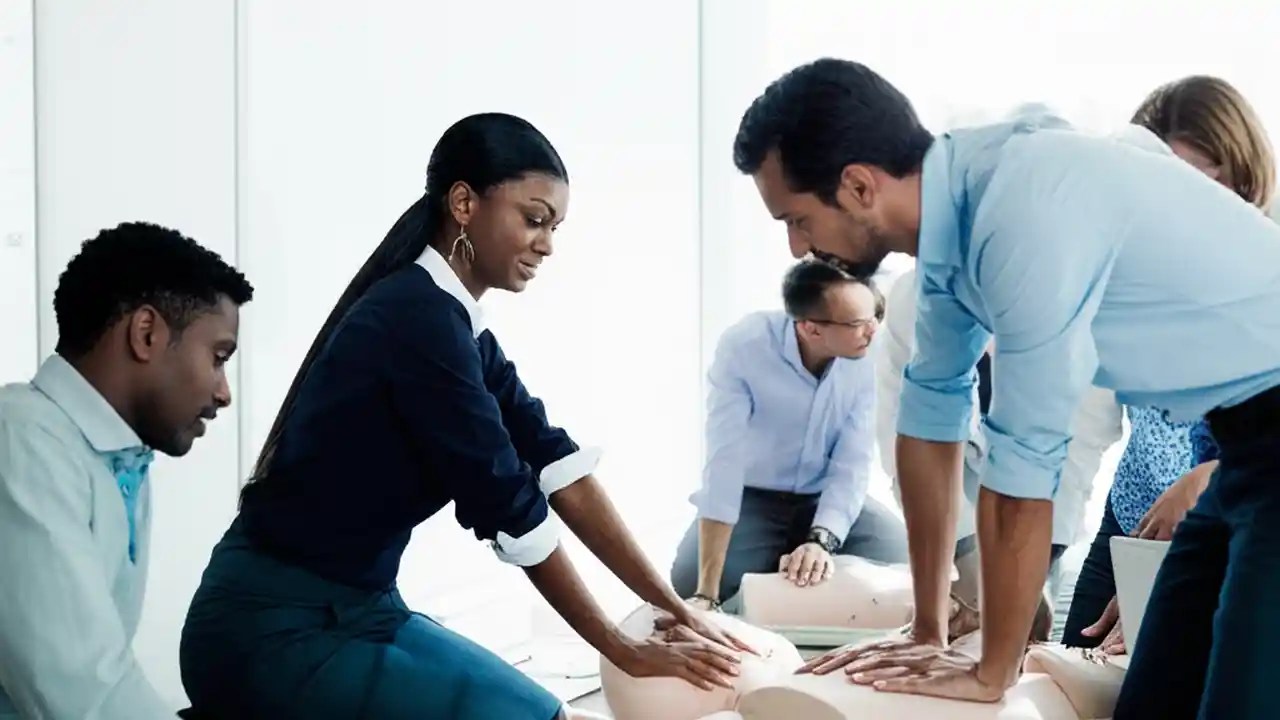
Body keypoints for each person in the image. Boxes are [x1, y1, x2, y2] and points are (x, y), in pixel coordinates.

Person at [732, 58, 1280, 719]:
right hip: (1244, 453)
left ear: (856, 186)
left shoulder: (1021, 208)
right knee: (1150, 703)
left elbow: (1026, 467)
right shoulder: (952, 229)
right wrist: (929, 627)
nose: (798, 249)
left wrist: (991, 672)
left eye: (796, 218)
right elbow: (928, 425)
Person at [178, 113, 749, 720]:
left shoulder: (455, 324)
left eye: (555, 227)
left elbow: (559, 469)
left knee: (551, 715)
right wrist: (619, 648)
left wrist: (678, 608)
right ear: (464, 203)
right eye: (533, 219)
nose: (547, 244)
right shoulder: (416, 319)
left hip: (366, 610)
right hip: (268, 631)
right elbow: (512, 507)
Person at [0, 222, 253, 719]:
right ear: (146, 334)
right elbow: (82, 694)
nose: (223, 392)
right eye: (218, 357)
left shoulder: (117, 456)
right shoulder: (22, 441)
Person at [1063, 74, 1276, 654]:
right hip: (1135, 519)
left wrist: (1206, 481)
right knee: (1070, 662)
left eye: (1209, 184)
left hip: (1236, 521)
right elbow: (1080, 429)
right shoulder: (1127, 272)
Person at [876, 266, 1123, 613]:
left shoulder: (1093, 327)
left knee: (1026, 616)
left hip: (1038, 475)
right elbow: (906, 445)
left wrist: (1038, 563)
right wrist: (966, 551)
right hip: (949, 463)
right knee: (971, 606)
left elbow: (1077, 454)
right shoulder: (917, 302)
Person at [671, 260, 908, 612]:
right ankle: (773, 565)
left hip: (825, 494)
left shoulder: (868, 353)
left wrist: (821, 540)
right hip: (754, 498)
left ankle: (796, 562)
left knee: (907, 564)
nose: (873, 331)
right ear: (811, 329)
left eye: (876, 317)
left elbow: (852, 463)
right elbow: (725, 462)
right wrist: (706, 592)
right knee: (688, 580)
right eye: (859, 324)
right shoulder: (745, 346)